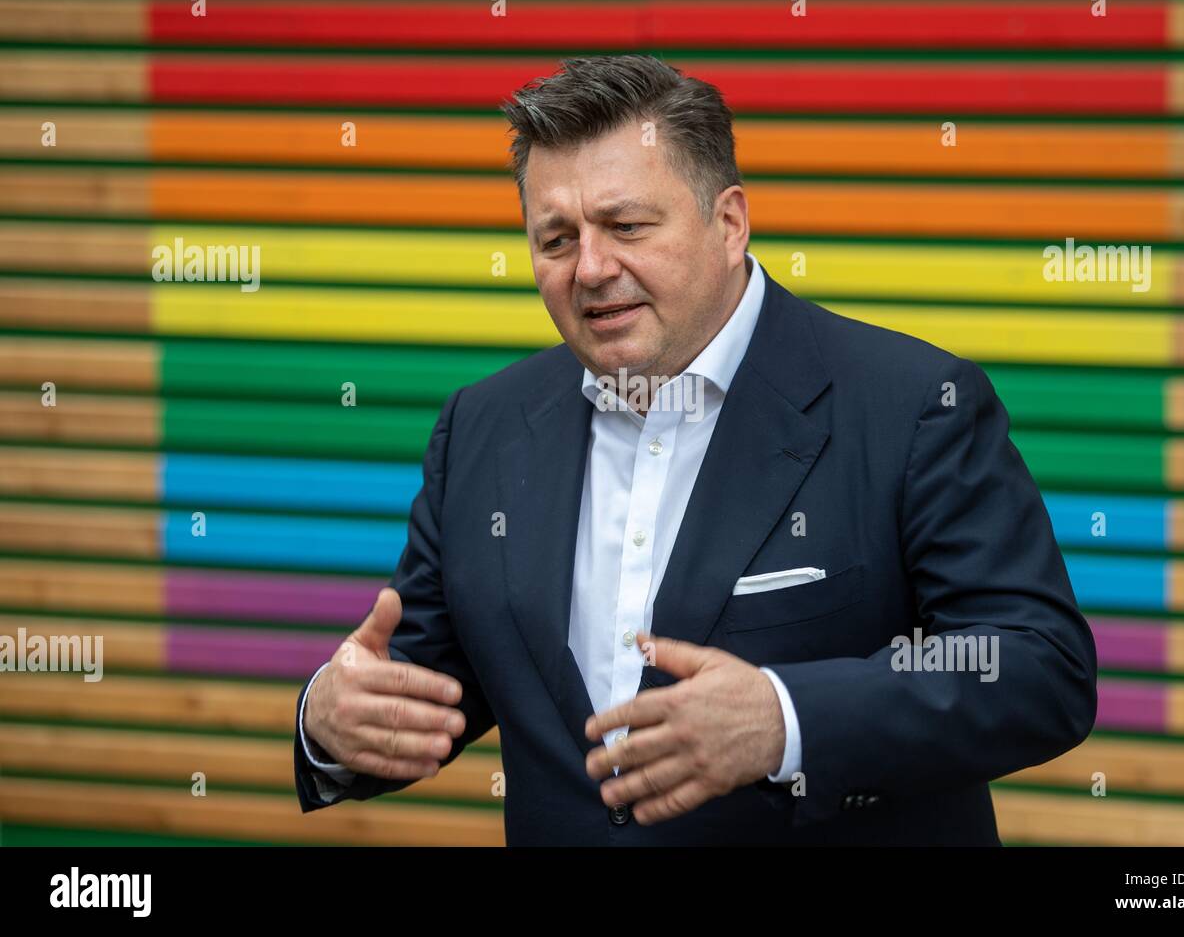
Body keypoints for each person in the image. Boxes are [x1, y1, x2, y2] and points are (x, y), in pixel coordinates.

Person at [294, 54, 1097, 845]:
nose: (593, 269)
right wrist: (332, 721)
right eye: (557, 239)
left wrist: (785, 720)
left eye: (628, 226)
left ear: (729, 222)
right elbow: (419, 691)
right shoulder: (484, 426)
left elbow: (1036, 666)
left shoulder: (913, 404)